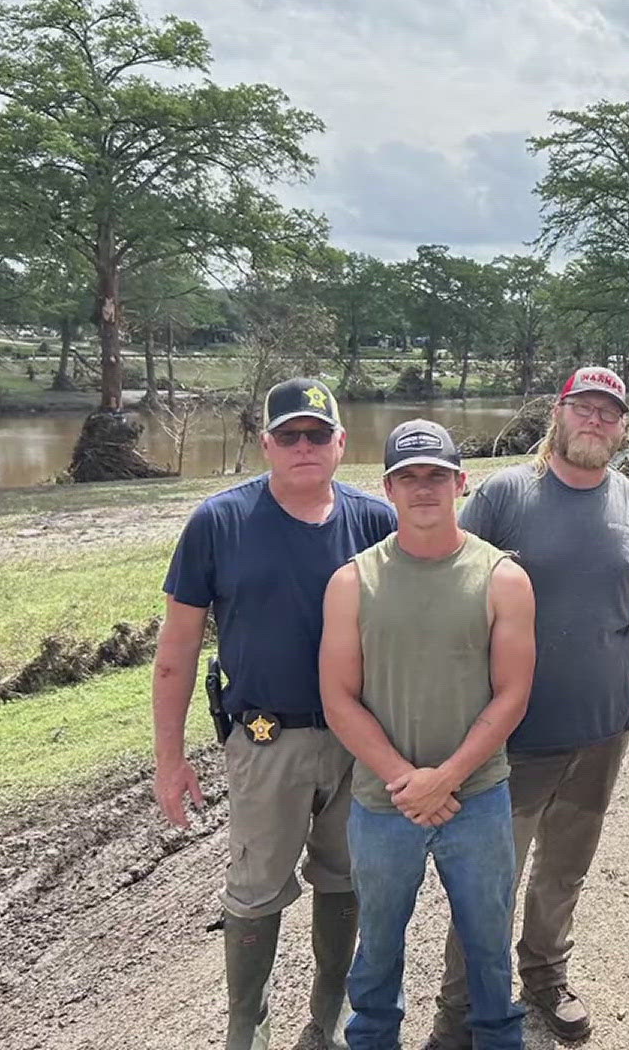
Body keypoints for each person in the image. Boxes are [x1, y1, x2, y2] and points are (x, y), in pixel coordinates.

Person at [427, 366, 629, 1048]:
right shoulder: (507, 495)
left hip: (602, 729)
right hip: (513, 734)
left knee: (564, 867)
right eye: (584, 409)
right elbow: (453, 589)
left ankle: (544, 976)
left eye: (610, 413)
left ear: (624, 427)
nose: (596, 422)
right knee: (490, 878)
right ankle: (459, 1008)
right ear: (558, 412)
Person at [151, 378, 396, 1050]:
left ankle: (325, 1020)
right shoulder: (218, 522)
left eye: (318, 434)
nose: (304, 446)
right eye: (289, 435)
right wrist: (170, 761)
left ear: (342, 443)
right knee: (256, 888)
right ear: (265, 444)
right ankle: (246, 1030)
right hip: (265, 739)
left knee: (345, 877)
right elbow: (174, 653)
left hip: (359, 741)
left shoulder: (376, 522)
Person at [319, 419, 538, 1050]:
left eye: (436, 476)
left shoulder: (502, 578)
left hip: (478, 800)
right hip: (383, 805)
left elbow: (512, 694)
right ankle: (374, 1039)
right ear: (387, 488)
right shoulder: (352, 583)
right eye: (408, 477)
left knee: (489, 946)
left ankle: (497, 1038)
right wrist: (405, 778)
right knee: (379, 946)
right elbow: (339, 698)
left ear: (461, 483)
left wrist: (445, 777)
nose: (423, 490)